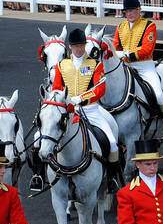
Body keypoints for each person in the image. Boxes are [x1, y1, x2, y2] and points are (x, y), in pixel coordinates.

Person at [40, 27, 121, 189]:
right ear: (70, 47)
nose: (79, 49)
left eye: (82, 46)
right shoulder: (62, 66)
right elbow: (56, 88)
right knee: (39, 140)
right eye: (76, 46)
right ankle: (39, 175)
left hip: (91, 110)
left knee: (112, 142)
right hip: (67, 110)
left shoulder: (95, 65)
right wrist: (58, 100)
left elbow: (100, 89)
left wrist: (82, 98)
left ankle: (111, 178)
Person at [113, 0, 163, 135]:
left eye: (132, 10)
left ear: (139, 10)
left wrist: (127, 53)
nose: (129, 13)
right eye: (127, 11)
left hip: (144, 66)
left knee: (159, 95)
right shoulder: (120, 27)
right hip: (125, 66)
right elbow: (115, 46)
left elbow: (147, 48)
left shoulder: (149, 25)